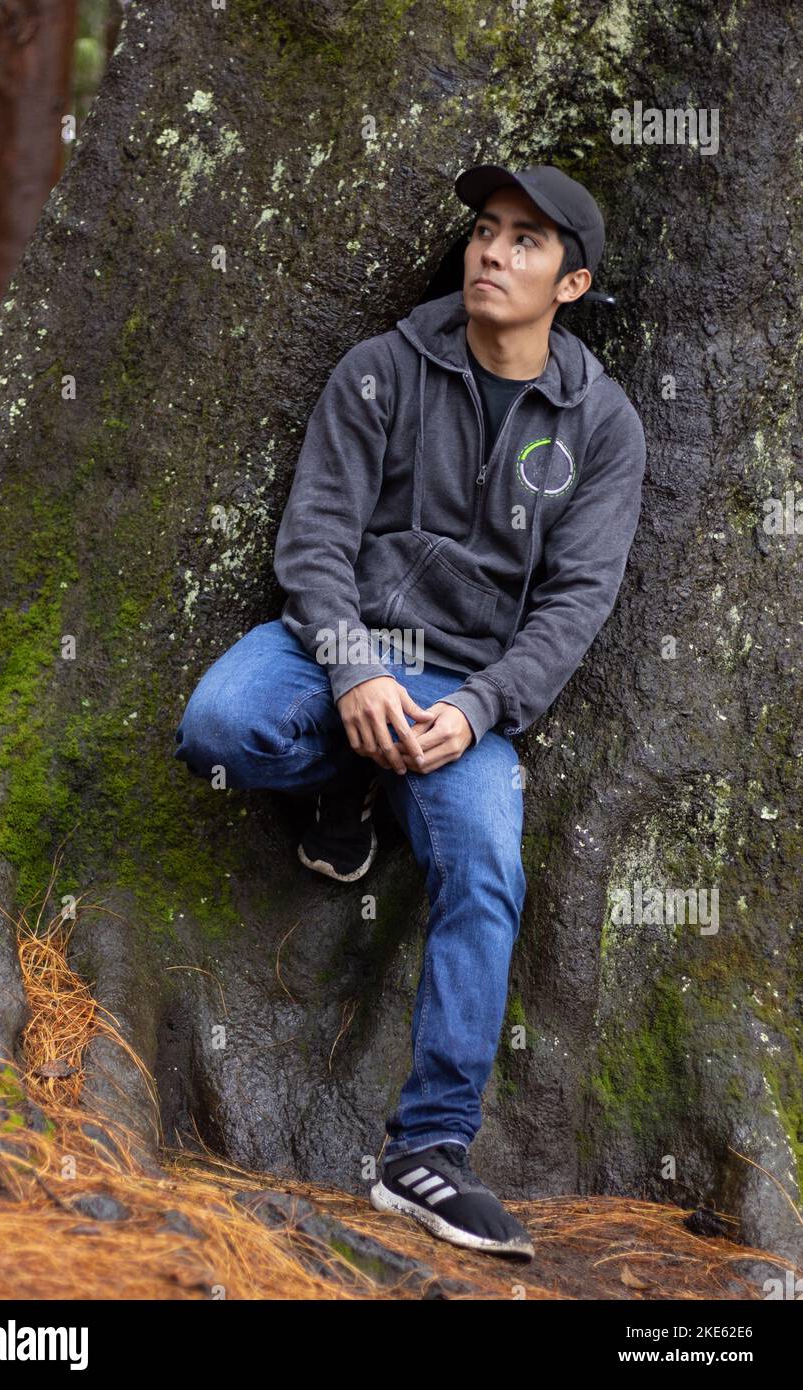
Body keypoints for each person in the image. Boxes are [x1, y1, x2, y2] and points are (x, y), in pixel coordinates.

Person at [174, 163, 647, 1259]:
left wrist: (479, 710)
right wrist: (352, 672)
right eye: (485, 230)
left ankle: (426, 1153)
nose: (490, 251)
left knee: (487, 871)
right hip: (336, 648)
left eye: (524, 241)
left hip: (466, 694)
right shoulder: (381, 368)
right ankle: (347, 777)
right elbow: (314, 542)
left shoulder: (602, 425)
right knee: (218, 727)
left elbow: (576, 604)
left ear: (569, 284)